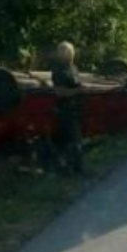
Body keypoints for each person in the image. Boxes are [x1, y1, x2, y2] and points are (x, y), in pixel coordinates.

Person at [51, 41, 85, 174]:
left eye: (70, 52)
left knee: (72, 140)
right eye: (64, 53)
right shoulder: (58, 71)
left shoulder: (73, 67)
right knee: (74, 140)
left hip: (75, 108)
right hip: (64, 109)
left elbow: (77, 84)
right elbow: (59, 92)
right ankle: (76, 169)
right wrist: (78, 92)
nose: (68, 55)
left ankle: (70, 168)